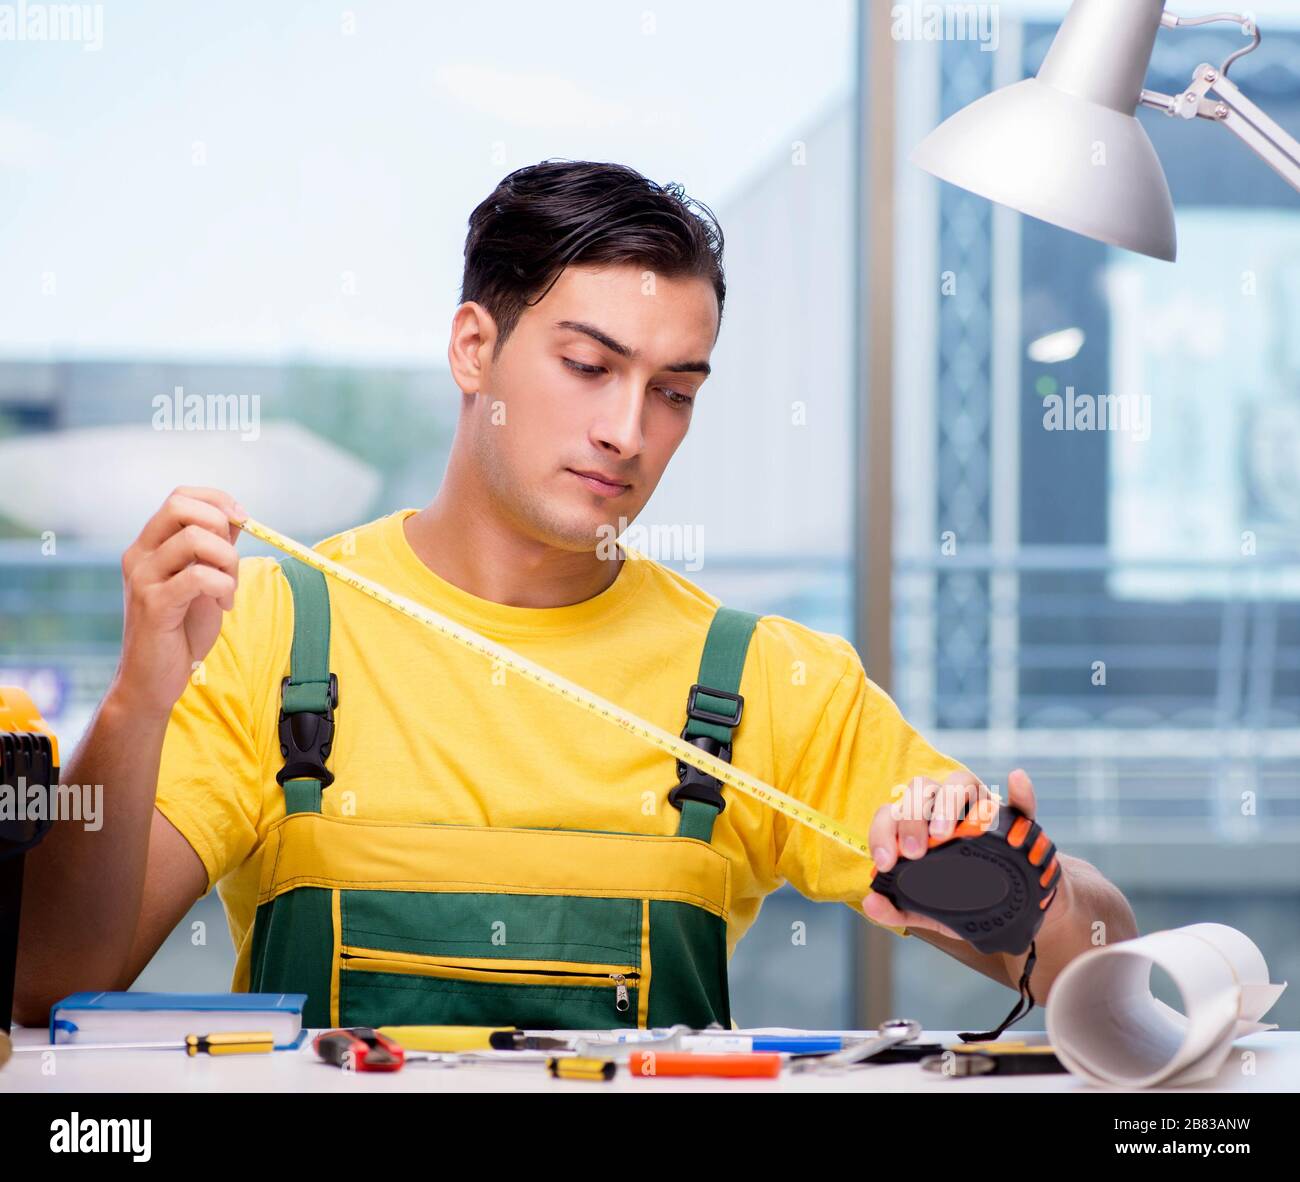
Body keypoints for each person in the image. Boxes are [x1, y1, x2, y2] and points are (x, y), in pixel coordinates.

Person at [15, 160, 1136, 1030]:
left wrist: (1016, 880)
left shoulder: (759, 678)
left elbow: (1097, 967)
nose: (627, 431)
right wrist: (136, 701)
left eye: (673, 392)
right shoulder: (268, 633)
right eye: (589, 367)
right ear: (472, 349)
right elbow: (45, 983)